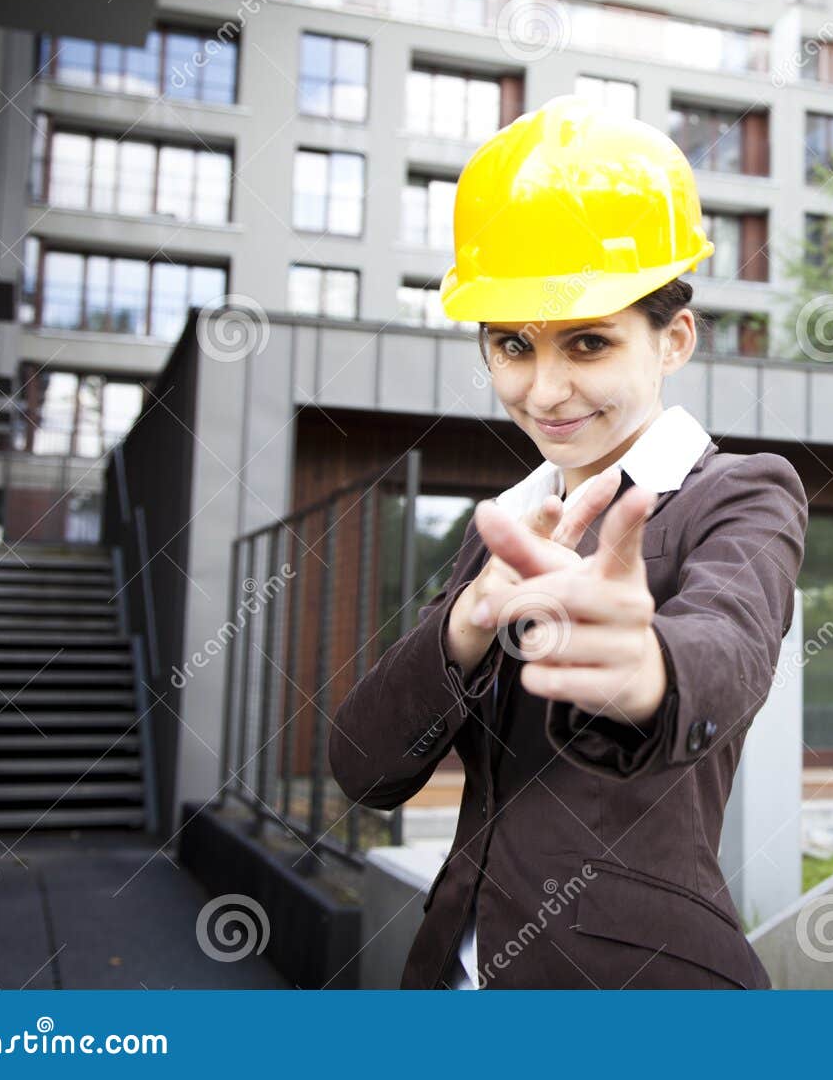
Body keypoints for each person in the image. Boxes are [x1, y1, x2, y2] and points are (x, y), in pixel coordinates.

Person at [328, 94, 808, 989]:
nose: (544, 391)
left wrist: (652, 672)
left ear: (673, 340)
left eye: (587, 343)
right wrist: (465, 621)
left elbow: (731, 642)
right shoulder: (506, 525)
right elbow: (363, 766)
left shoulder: (739, 493)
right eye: (513, 345)